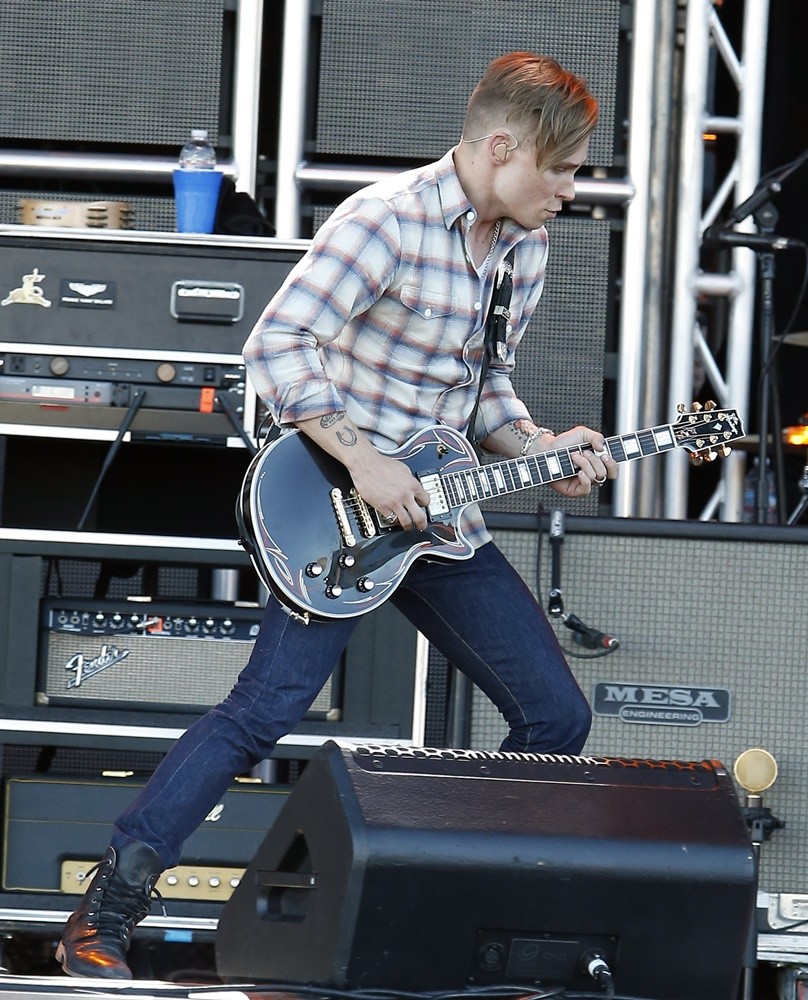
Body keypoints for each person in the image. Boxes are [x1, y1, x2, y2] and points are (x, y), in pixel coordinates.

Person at [56, 50, 618, 980]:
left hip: (439, 518)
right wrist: (361, 462)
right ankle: (105, 912)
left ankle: (453, 915)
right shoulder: (385, 221)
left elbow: (486, 394)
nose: (571, 188)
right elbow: (275, 346)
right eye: (561, 168)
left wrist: (544, 448)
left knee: (556, 718)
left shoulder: (527, 247)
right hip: (333, 512)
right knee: (264, 709)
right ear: (506, 146)